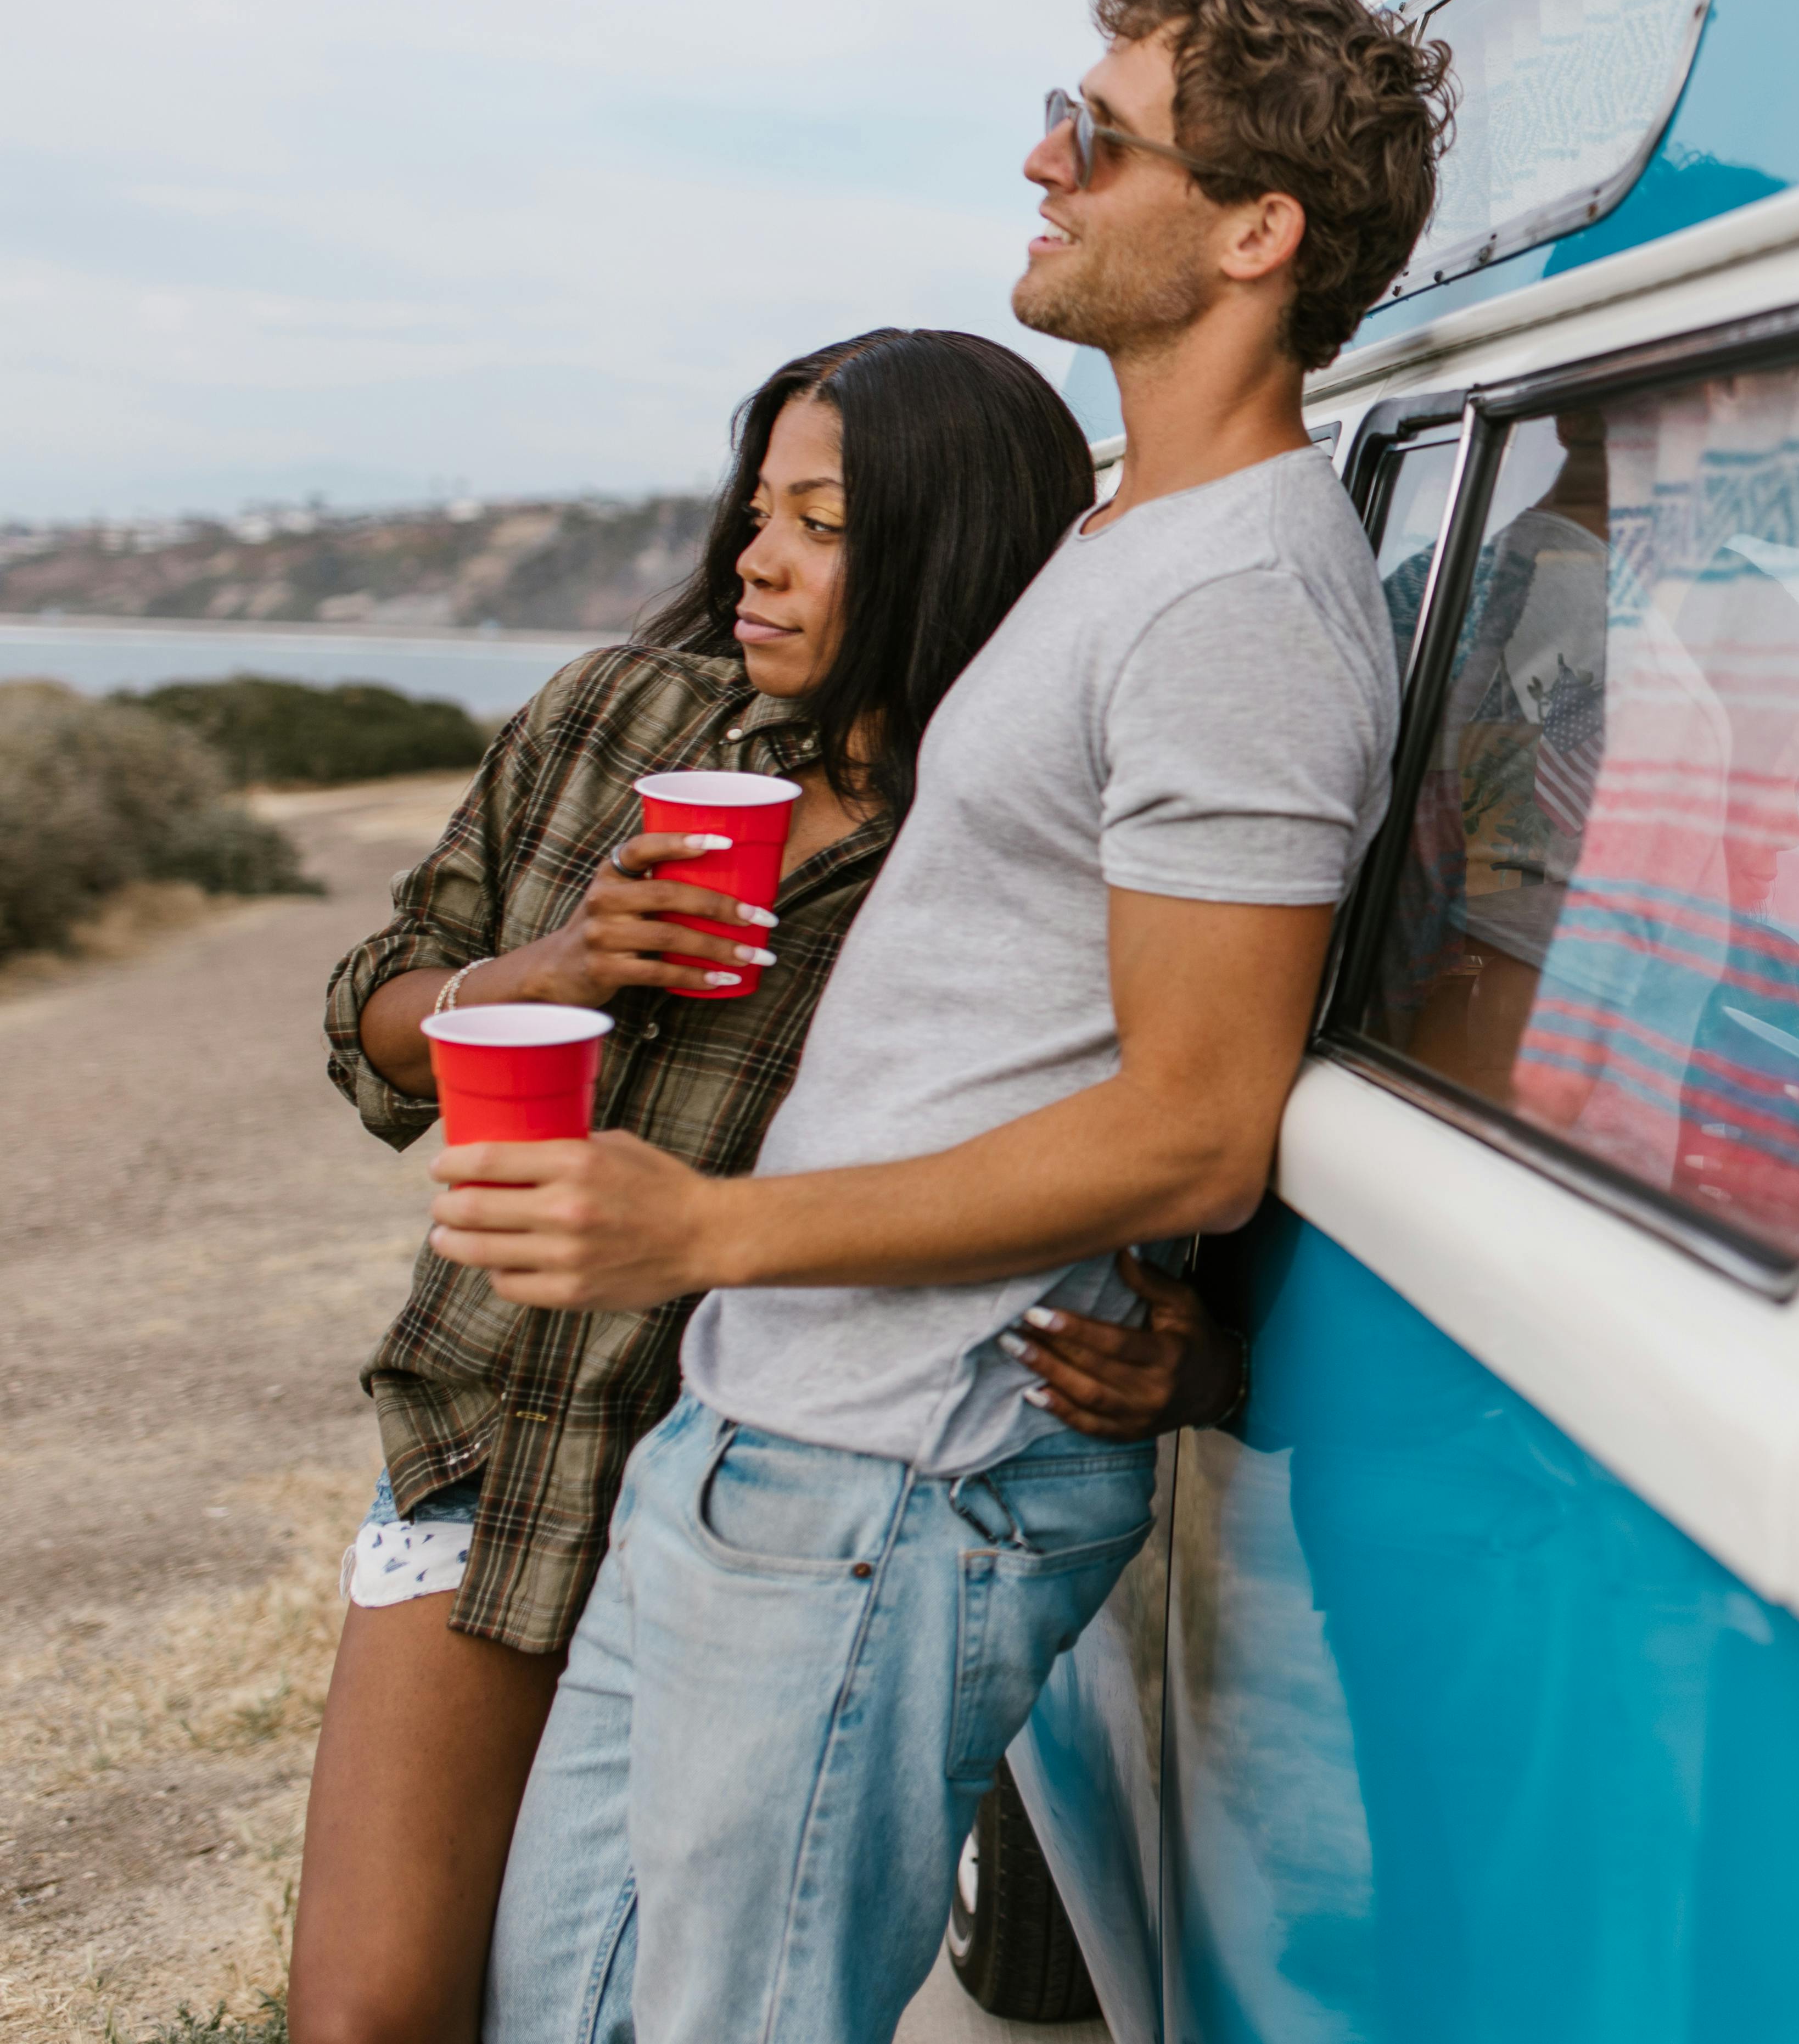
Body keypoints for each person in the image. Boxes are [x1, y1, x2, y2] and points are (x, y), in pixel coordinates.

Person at [438, 0, 1454, 2042]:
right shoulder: (1122, 537)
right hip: (772, 1424)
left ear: (1254, 233)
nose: (1041, 159)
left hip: (897, 1471)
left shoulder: (1243, 597)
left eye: (1096, 133)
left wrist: (708, 1223)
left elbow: (1194, 1115)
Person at [288, 328, 1228, 2044]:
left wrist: (1198, 1350)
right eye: (757, 509)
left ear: (946, 543)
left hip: (781, 1483)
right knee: (371, 2012)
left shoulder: (1004, 829)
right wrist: (550, 965)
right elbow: (376, 1009)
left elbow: (1174, 1117)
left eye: (821, 520)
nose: (755, 556)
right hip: (499, 1434)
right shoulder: (616, 718)